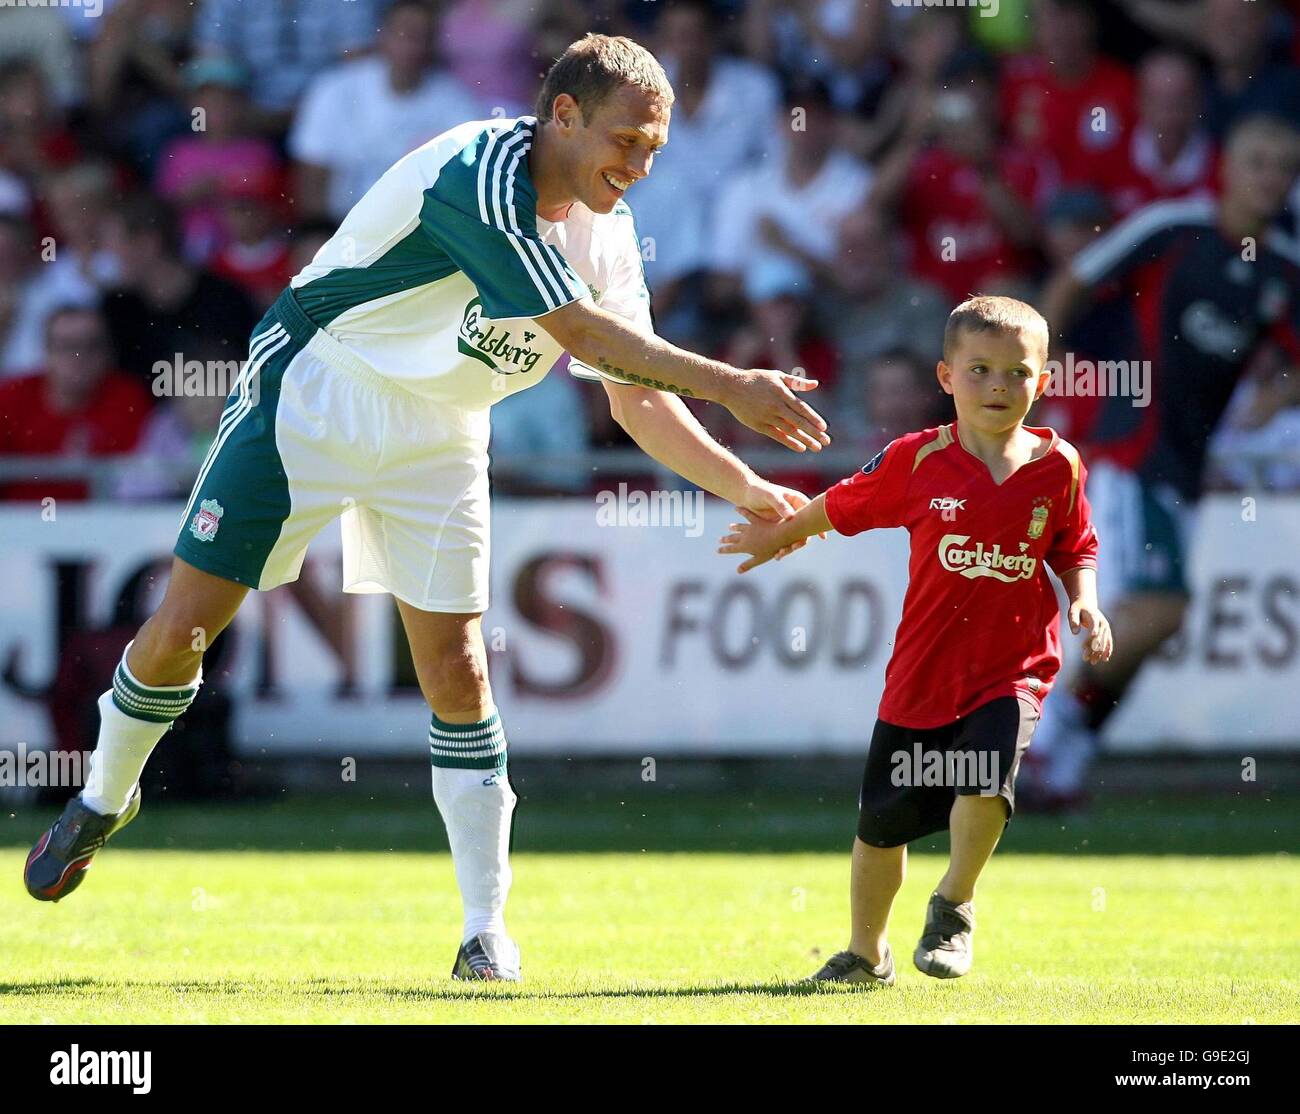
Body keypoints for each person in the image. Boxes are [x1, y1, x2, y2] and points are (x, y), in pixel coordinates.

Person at [22, 34, 829, 984]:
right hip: (317, 390)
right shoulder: (479, 169)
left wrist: (749, 488)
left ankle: (486, 931)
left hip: (442, 431)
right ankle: (102, 799)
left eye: (654, 149)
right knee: (182, 635)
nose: (640, 166)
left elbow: (632, 392)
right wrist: (735, 381)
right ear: (561, 115)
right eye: (627, 140)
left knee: (456, 671)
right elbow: (575, 333)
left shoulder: (608, 235)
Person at [719, 295, 1110, 984]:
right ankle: (866, 954)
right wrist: (778, 534)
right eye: (980, 369)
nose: (998, 386)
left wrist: (1085, 603)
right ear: (946, 377)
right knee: (881, 829)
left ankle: (955, 904)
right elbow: (840, 505)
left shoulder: (1059, 466)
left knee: (986, 780)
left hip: (1012, 671)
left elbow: (1074, 546)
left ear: (1043, 382)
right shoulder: (918, 460)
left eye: (1017, 373)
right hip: (921, 678)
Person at [1035, 112, 1300, 804]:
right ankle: (1037, 741)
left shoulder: (1283, 271)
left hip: (1185, 469)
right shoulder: (1174, 231)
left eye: (1284, 167)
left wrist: (1278, 395)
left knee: (1139, 627)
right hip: (1130, 452)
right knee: (1158, 609)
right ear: (1227, 168)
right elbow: (1076, 278)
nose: (1271, 178)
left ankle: (1057, 772)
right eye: (1259, 162)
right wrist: (1037, 363)